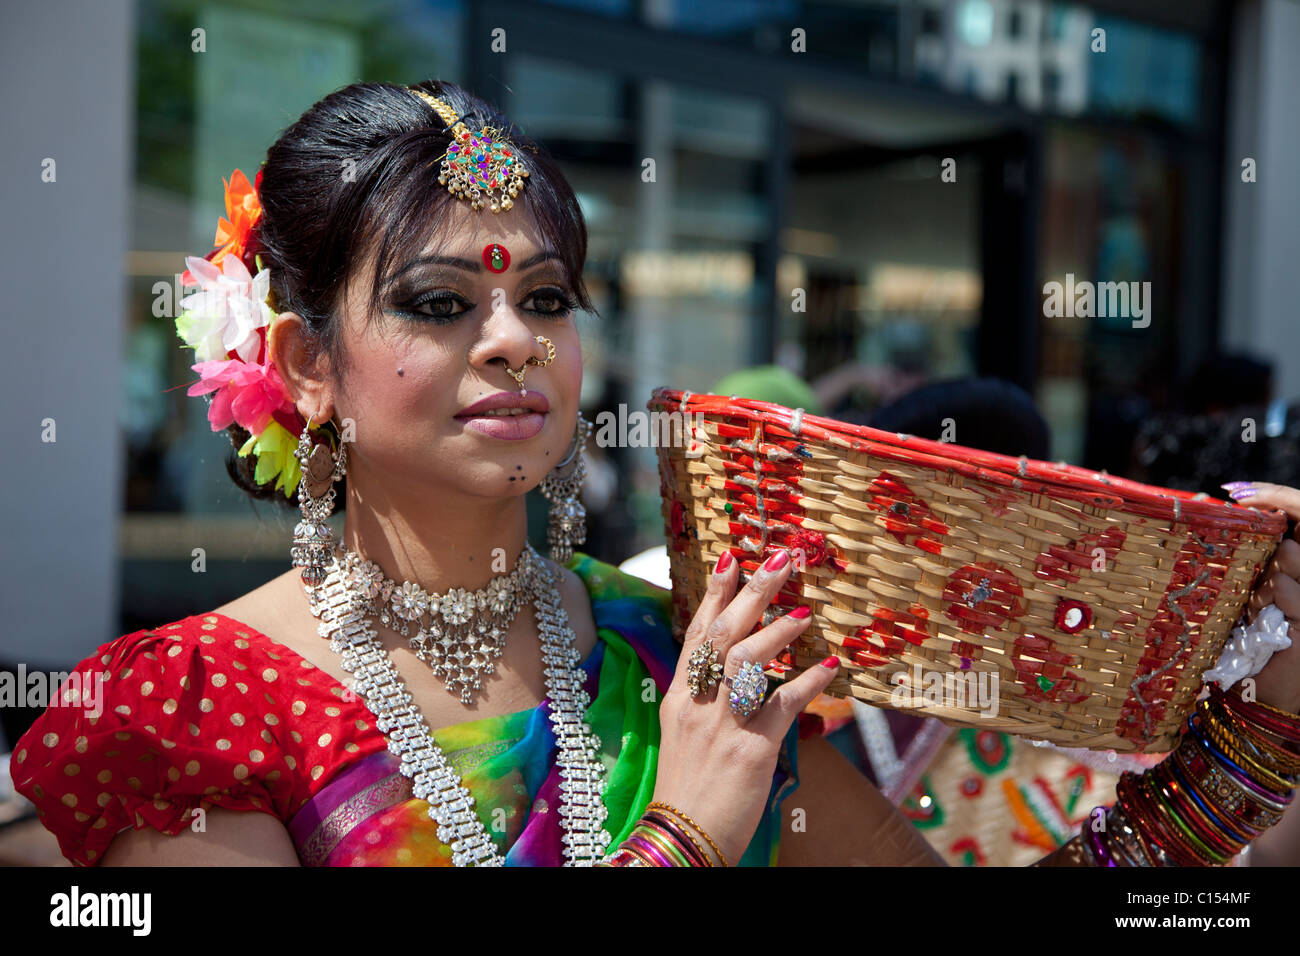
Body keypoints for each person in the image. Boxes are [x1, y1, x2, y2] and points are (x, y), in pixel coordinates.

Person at [10, 80, 1300, 868]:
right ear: (302, 364)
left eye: (550, 298)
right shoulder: (199, 708)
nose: (515, 340)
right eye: (438, 301)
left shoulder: (667, 650)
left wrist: (1260, 731)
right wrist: (682, 832)